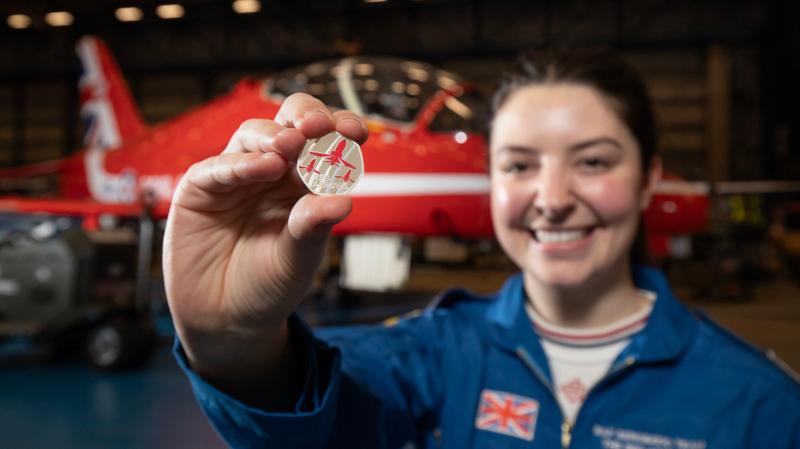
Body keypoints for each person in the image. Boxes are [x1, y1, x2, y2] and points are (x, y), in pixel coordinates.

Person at [163, 51, 800, 449]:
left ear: (648, 179)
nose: (551, 198)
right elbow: (315, 419)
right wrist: (230, 341)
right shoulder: (433, 354)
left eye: (594, 161)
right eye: (519, 165)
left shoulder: (766, 406)